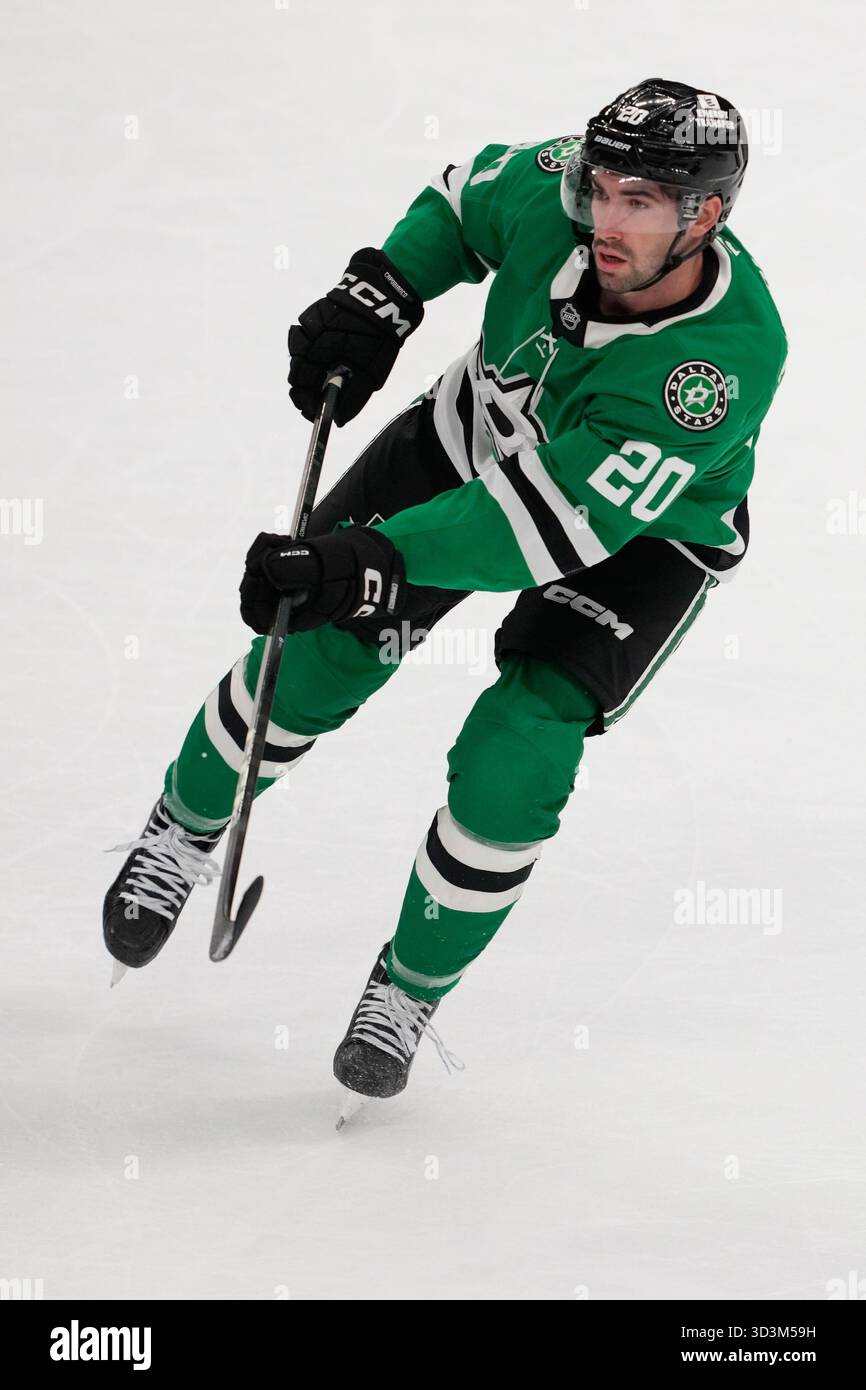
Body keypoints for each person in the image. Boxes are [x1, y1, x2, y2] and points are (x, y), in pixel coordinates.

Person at [103, 77, 787, 1106]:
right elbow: (464, 199)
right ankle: (182, 827)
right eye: (603, 188)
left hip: (638, 541)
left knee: (518, 749)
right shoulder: (555, 188)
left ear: (707, 215)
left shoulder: (719, 366)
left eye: (641, 201)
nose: (606, 217)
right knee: (316, 656)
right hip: (466, 445)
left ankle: (408, 988)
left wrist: (366, 556)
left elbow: (551, 527)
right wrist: (379, 292)